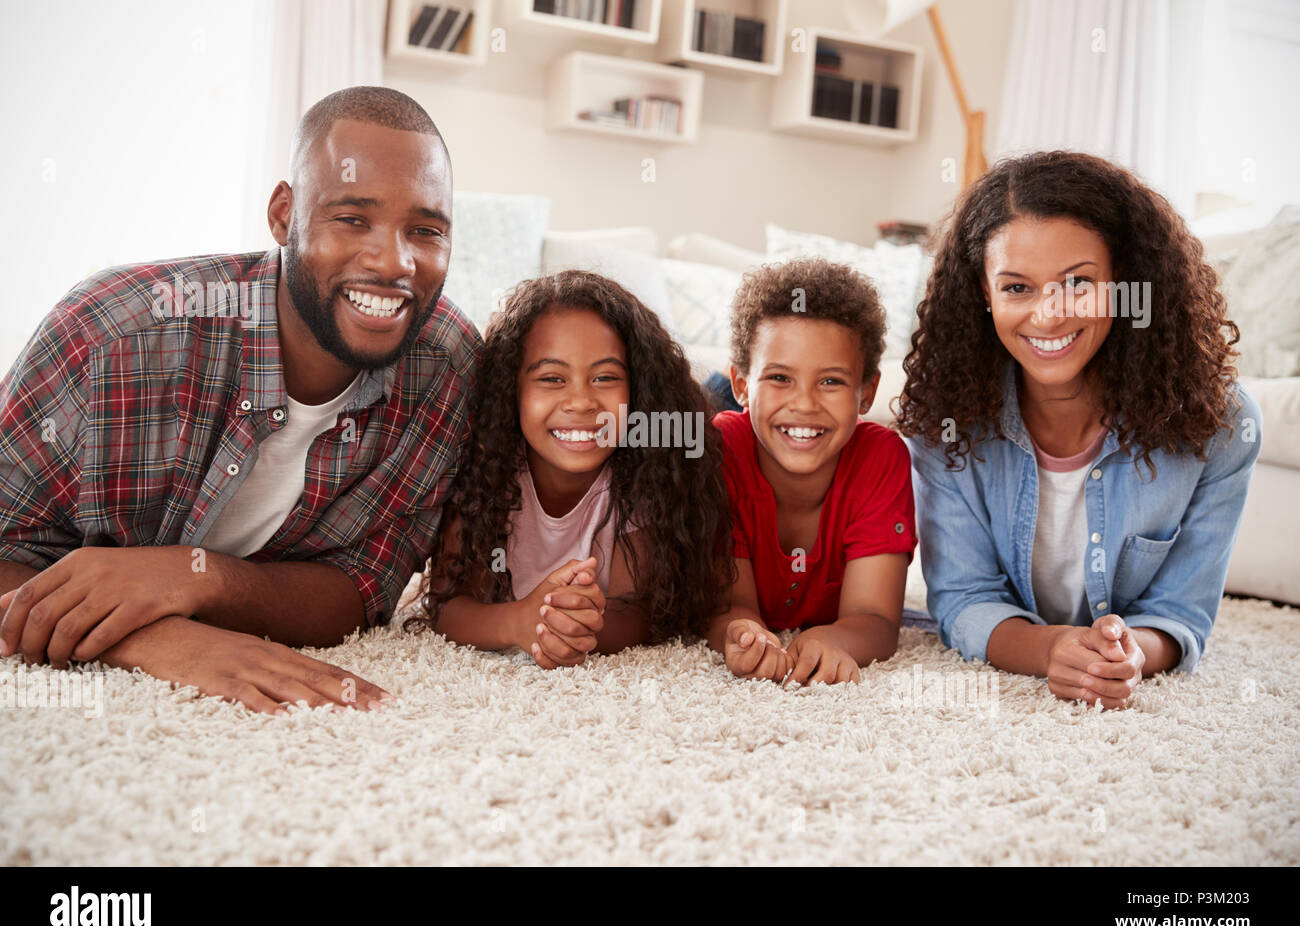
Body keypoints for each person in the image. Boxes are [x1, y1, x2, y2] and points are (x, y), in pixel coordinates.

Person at [0, 86, 478, 714]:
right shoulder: (112, 332)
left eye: (424, 230)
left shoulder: (446, 365)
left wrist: (189, 575)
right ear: (284, 214)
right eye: (352, 219)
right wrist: (161, 640)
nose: (394, 262)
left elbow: (362, 589)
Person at [897, 150, 1261, 709]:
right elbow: (964, 600)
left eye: (1078, 283)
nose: (1049, 315)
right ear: (983, 294)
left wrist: (1128, 654)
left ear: (1125, 281)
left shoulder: (1220, 425)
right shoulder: (945, 420)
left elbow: (1180, 615)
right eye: (1017, 288)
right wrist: (1050, 649)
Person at [406, 271, 732, 666]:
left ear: (639, 390)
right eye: (552, 378)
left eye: (605, 377)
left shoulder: (645, 478)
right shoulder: (484, 474)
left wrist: (577, 624)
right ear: (512, 389)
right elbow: (448, 607)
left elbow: (640, 612)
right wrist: (520, 622)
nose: (581, 402)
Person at [707, 258, 918, 686]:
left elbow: (875, 619)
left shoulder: (881, 457)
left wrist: (835, 639)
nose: (804, 404)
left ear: (867, 392)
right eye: (780, 377)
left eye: (831, 382)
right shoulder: (721, 449)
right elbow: (727, 606)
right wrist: (743, 635)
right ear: (742, 385)